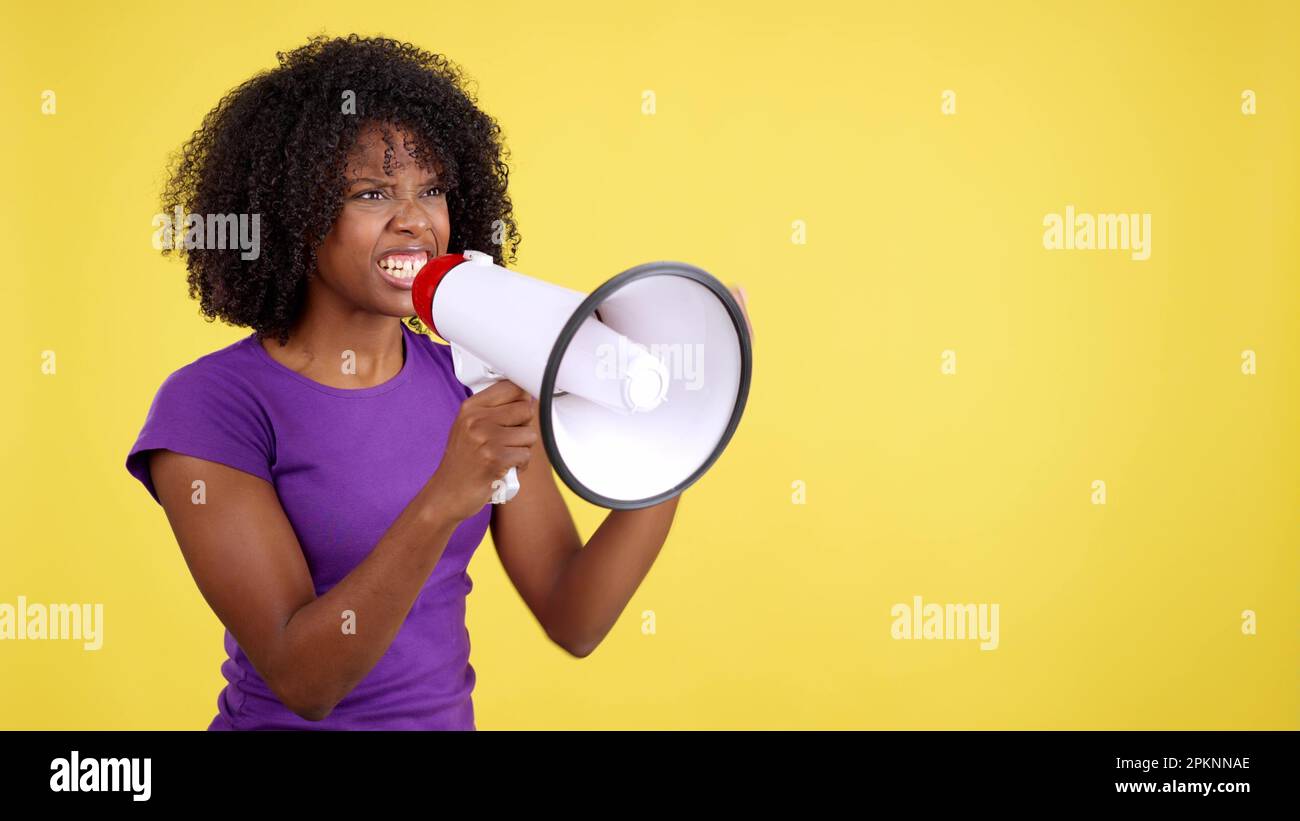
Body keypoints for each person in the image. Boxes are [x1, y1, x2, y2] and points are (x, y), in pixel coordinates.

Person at [125, 34, 748, 730]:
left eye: (430, 189)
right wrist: (443, 498)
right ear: (292, 215)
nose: (414, 220)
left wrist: (682, 426)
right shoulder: (213, 406)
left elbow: (576, 615)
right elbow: (305, 679)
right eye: (371, 193)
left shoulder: (474, 375)